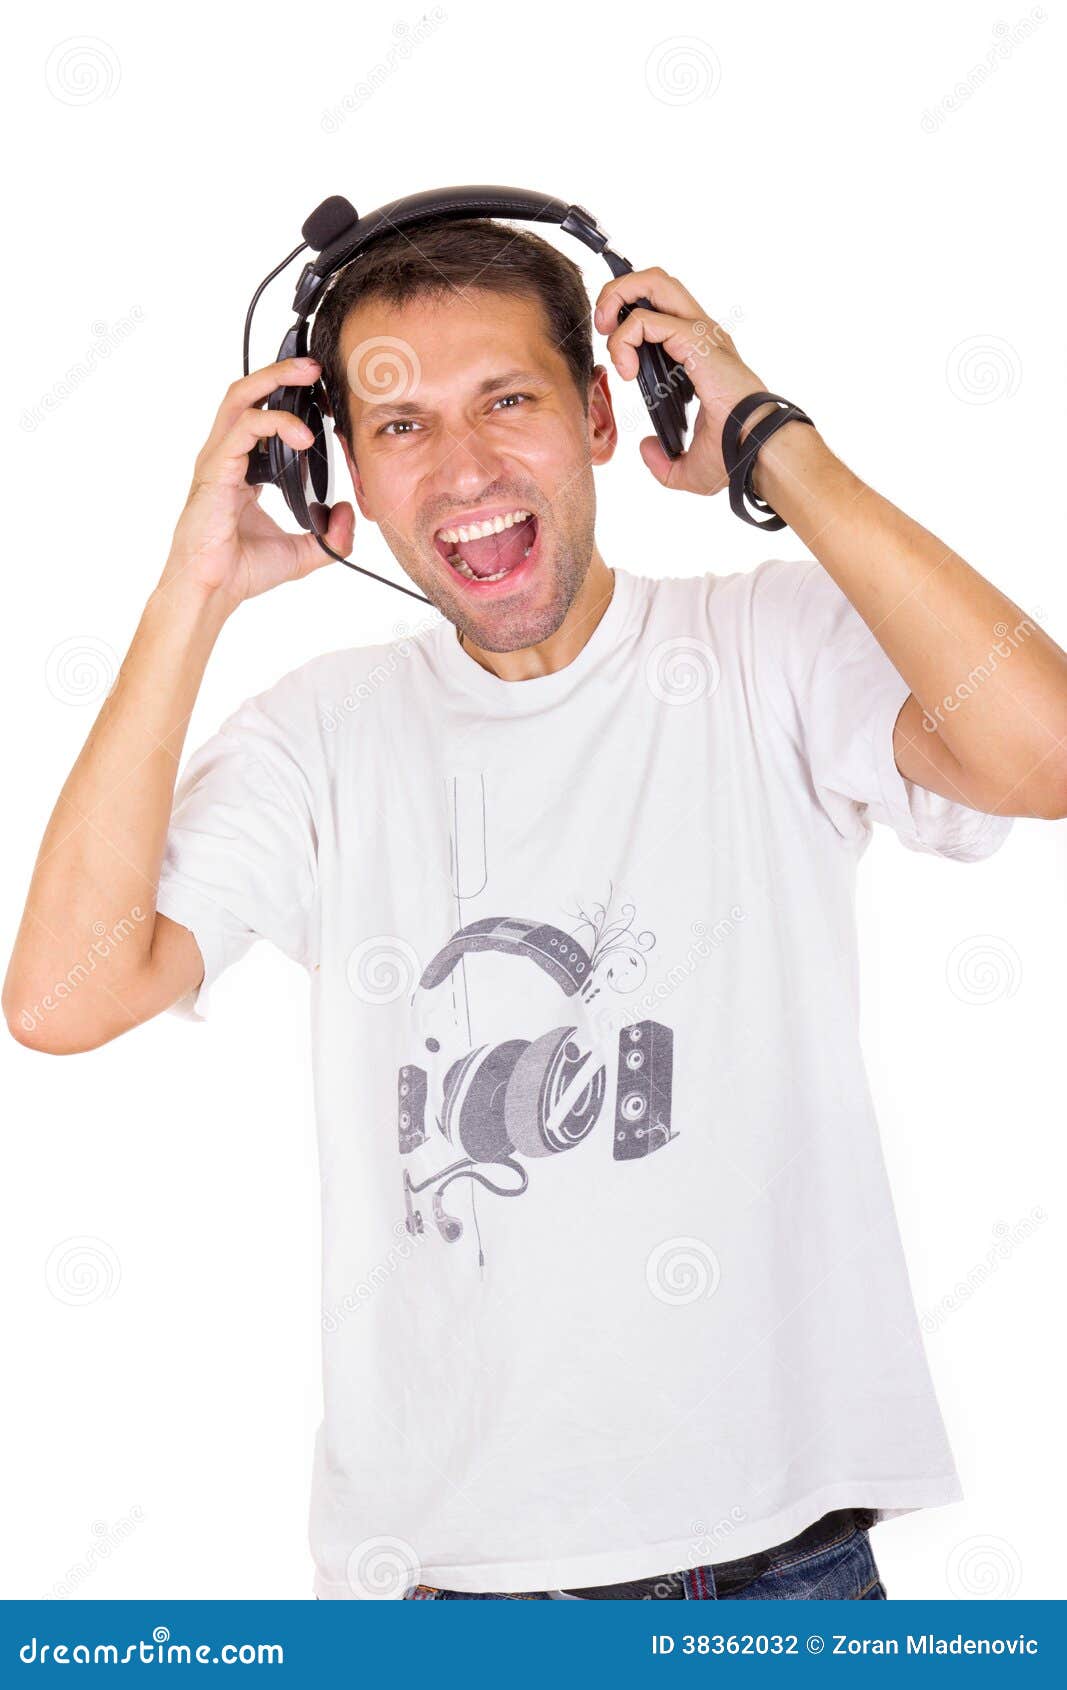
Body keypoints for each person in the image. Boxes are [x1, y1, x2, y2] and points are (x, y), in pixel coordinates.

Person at [6, 218, 1066, 1603]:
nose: (463, 470)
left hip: (780, 1569)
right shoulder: (322, 739)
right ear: (340, 479)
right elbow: (61, 996)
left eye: (507, 401)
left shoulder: (771, 648)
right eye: (398, 425)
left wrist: (766, 441)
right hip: (450, 1591)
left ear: (600, 414)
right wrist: (193, 589)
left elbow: (1043, 754)